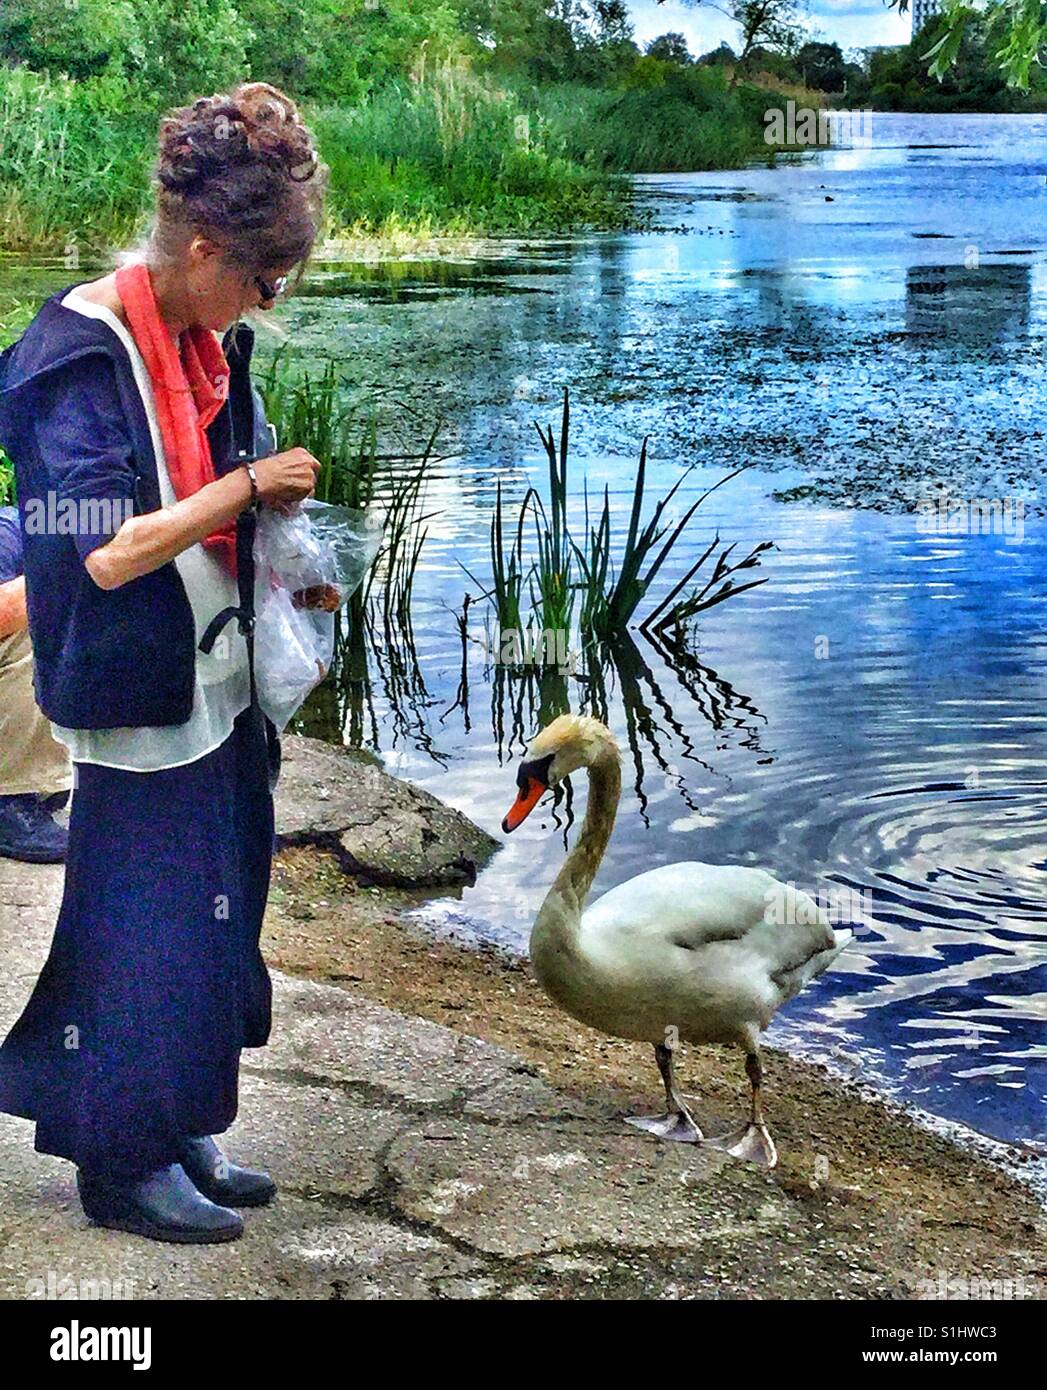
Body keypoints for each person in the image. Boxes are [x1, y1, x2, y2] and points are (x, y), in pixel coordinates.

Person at [0, 82, 326, 1244]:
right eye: (259, 278)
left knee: (213, 914)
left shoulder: (204, 338)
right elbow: (101, 555)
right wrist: (248, 488)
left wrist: (292, 560)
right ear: (199, 247)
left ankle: (178, 1116)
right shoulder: (71, 359)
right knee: (139, 922)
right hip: (134, 687)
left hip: (218, 679)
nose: (265, 303)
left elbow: (234, 495)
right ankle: (117, 1160)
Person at [0, 504, 72, 861]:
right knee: (35, 629)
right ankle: (10, 798)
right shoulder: (8, 532)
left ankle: (42, 782)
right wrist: (60, 575)